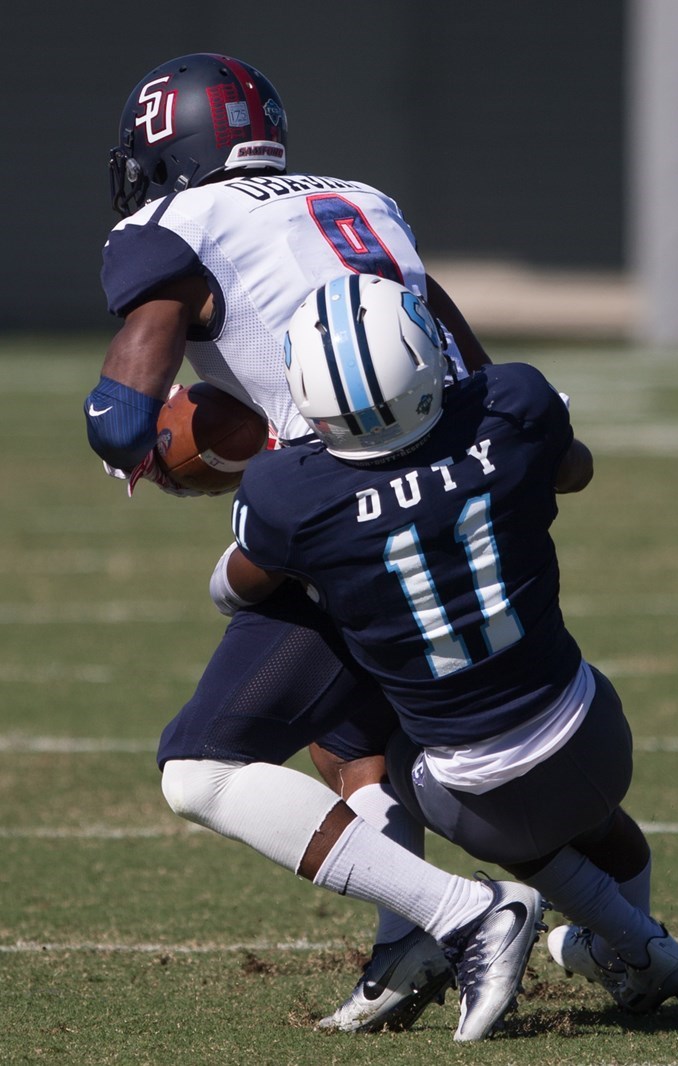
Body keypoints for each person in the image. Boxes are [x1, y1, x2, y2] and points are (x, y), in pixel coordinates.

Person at [86, 53, 511, 1035]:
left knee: (200, 767)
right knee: (362, 743)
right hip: (461, 492)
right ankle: (614, 937)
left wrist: (166, 444)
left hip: (352, 515)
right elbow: (459, 359)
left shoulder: (177, 224)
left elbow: (118, 416)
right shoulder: (361, 194)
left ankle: (462, 912)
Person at [210, 273, 678, 1015]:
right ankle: (628, 950)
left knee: (360, 742)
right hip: (595, 728)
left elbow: (233, 590)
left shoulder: (291, 493)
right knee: (585, 816)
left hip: (475, 796)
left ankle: (617, 942)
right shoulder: (512, 404)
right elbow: (575, 469)